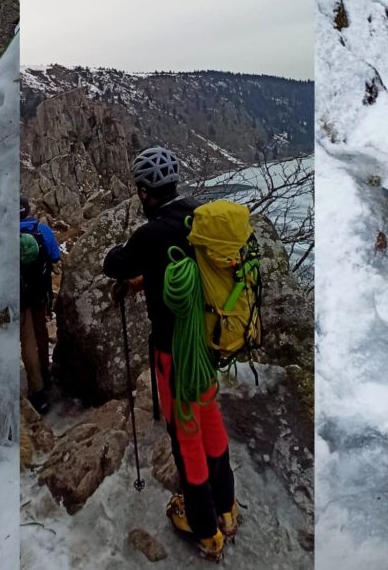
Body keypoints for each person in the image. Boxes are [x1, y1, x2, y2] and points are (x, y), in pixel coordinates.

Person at [102, 146, 238, 561]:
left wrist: (128, 271)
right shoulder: (198, 218)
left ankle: (203, 526)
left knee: (186, 433)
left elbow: (115, 264)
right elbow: (180, 267)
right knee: (210, 418)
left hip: (172, 351)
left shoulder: (151, 233)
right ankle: (227, 507)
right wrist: (147, 281)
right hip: (206, 346)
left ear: (144, 192)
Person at [20, 194, 61, 415]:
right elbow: (55, 256)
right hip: (39, 291)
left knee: (27, 341)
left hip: (20, 294)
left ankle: (37, 391)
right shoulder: (41, 230)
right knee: (41, 332)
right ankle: (46, 372)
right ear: (27, 210)